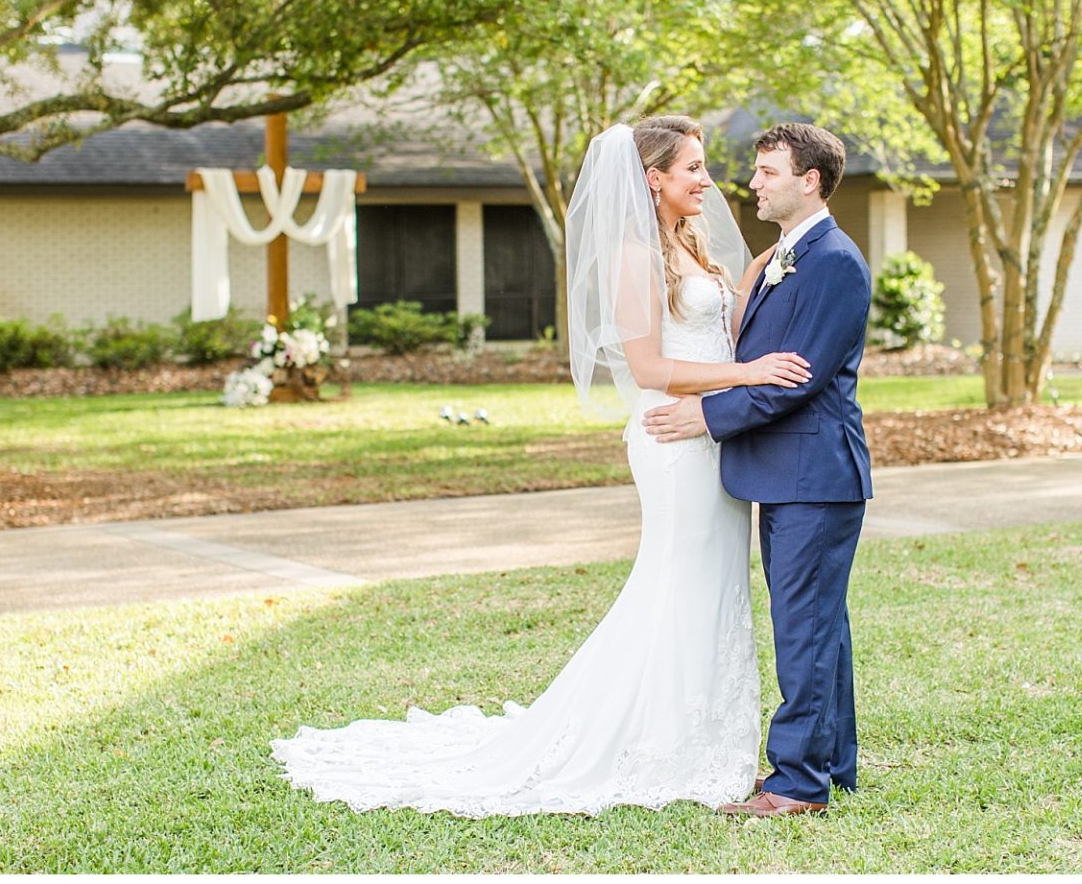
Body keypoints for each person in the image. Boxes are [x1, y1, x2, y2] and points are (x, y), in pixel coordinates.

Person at [269, 115, 810, 816]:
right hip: (674, 440)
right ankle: (653, 743)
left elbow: (712, 333)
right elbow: (649, 367)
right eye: (692, 168)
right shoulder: (633, 256)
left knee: (714, 582)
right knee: (677, 580)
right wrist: (747, 375)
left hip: (713, 436)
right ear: (653, 178)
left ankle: (700, 738)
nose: (707, 180)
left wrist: (759, 276)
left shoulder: (691, 242)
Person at [643, 121, 873, 818]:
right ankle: (833, 763)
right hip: (789, 472)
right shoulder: (789, 256)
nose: (753, 183)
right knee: (819, 623)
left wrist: (706, 416)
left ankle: (797, 783)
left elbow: (795, 380)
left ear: (810, 180)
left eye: (769, 171)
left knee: (804, 627)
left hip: (814, 474)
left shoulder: (833, 262)